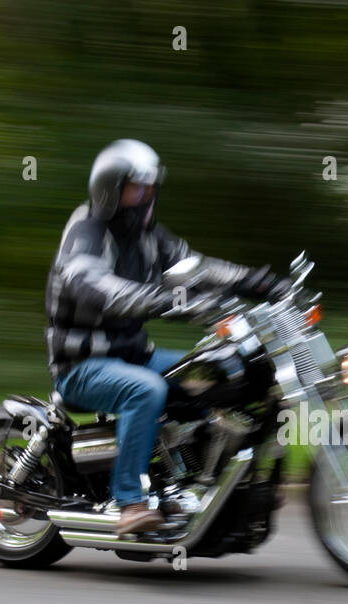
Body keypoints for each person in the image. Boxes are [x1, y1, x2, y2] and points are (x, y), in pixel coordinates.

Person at [44, 139, 288, 534]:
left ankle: (201, 480)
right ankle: (130, 502)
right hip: (82, 364)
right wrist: (167, 302)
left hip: (134, 354)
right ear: (109, 188)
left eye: (149, 188)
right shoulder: (86, 232)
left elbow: (197, 267)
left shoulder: (150, 237)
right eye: (135, 188)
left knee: (216, 375)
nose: (144, 197)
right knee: (147, 391)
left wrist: (256, 281)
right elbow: (99, 287)